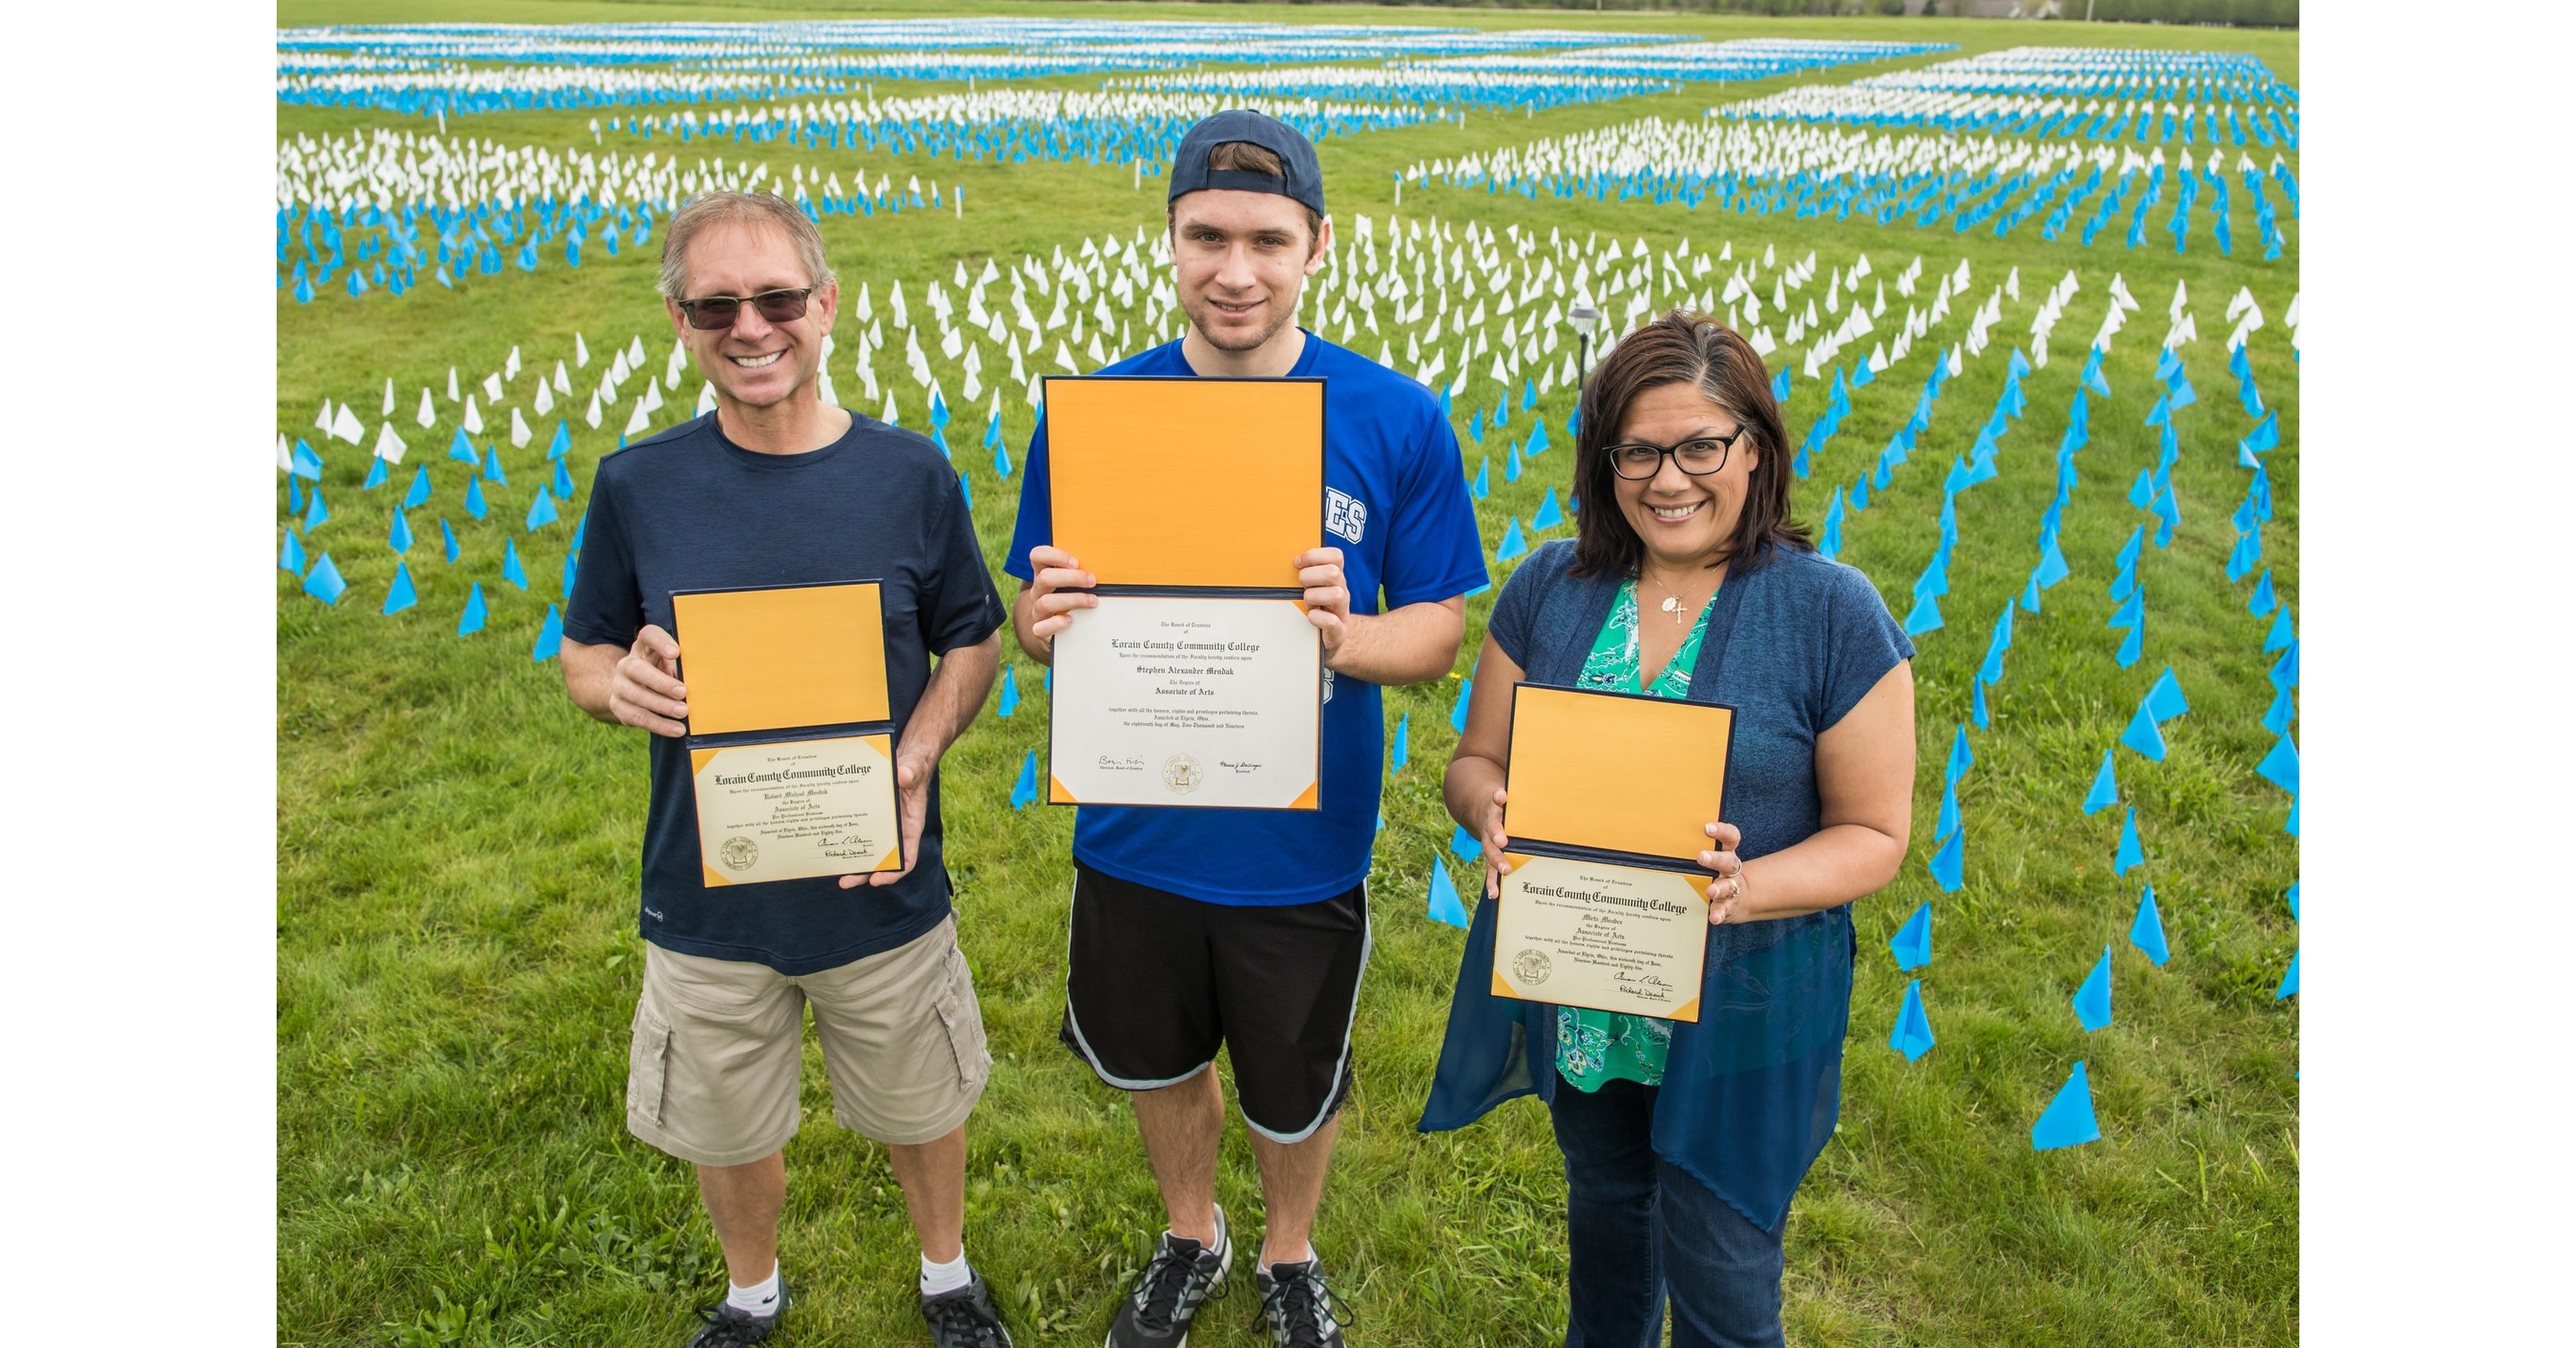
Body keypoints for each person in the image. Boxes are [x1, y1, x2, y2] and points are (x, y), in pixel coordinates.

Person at [1006, 111, 1488, 1348]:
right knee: (1157, 1057)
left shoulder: (1393, 416)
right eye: (1207, 235)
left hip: (1299, 839)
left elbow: (1437, 628)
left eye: (1267, 239)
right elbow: (1033, 607)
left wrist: (1349, 636)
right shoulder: (1097, 416)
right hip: (1136, 826)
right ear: (1168, 239)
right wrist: (1041, 620)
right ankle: (1189, 1232)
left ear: (1317, 244)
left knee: (1291, 1078)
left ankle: (1286, 1247)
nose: (1236, 268)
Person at [560, 190, 1015, 1348]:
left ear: (826, 304)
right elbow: (585, 650)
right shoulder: (636, 484)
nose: (749, 327)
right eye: (716, 305)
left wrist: (916, 759)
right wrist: (619, 684)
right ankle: (751, 1294)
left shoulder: (910, 473)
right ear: (680, 321)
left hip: (880, 875)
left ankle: (947, 1276)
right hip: (709, 891)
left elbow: (975, 633)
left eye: (774, 299)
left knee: (920, 1100)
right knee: (726, 1121)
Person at [1423, 312, 1917, 1348]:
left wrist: (1749, 886)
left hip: (1743, 1000)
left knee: (1727, 1286)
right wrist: (1490, 814)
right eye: (1638, 450)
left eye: (1702, 446)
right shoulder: (1551, 587)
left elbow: (1875, 832)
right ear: (1606, 458)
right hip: (1586, 986)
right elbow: (1473, 764)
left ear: (1757, 451)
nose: (1668, 478)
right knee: (1607, 1218)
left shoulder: (1833, 613)